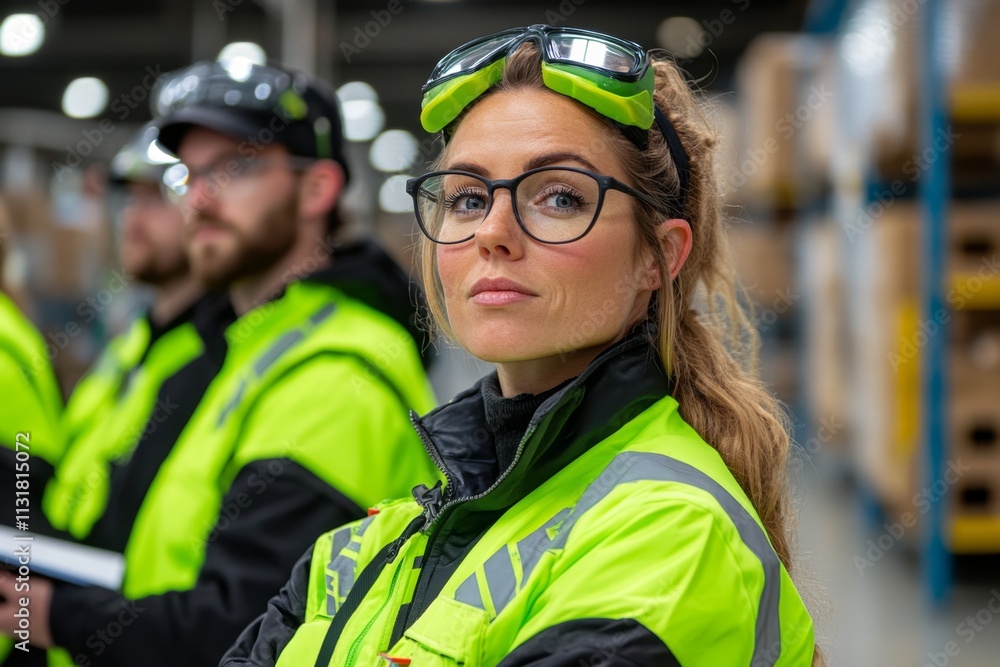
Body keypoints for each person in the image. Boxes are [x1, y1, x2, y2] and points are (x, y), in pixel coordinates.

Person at [224, 25, 822, 666]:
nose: (493, 232)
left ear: (659, 257)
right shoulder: (375, 545)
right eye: (467, 197)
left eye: (560, 197)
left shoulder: (671, 535)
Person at [0, 60, 439, 667]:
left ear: (317, 190)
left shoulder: (338, 370)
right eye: (189, 174)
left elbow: (246, 625)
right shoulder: (239, 346)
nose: (199, 198)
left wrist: (56, 614)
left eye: (238, 167)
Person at [42, 120, 232, 552]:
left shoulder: (220, 355)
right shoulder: (132, 344)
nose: (133, 216)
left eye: (158, 195)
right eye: (129, 197)